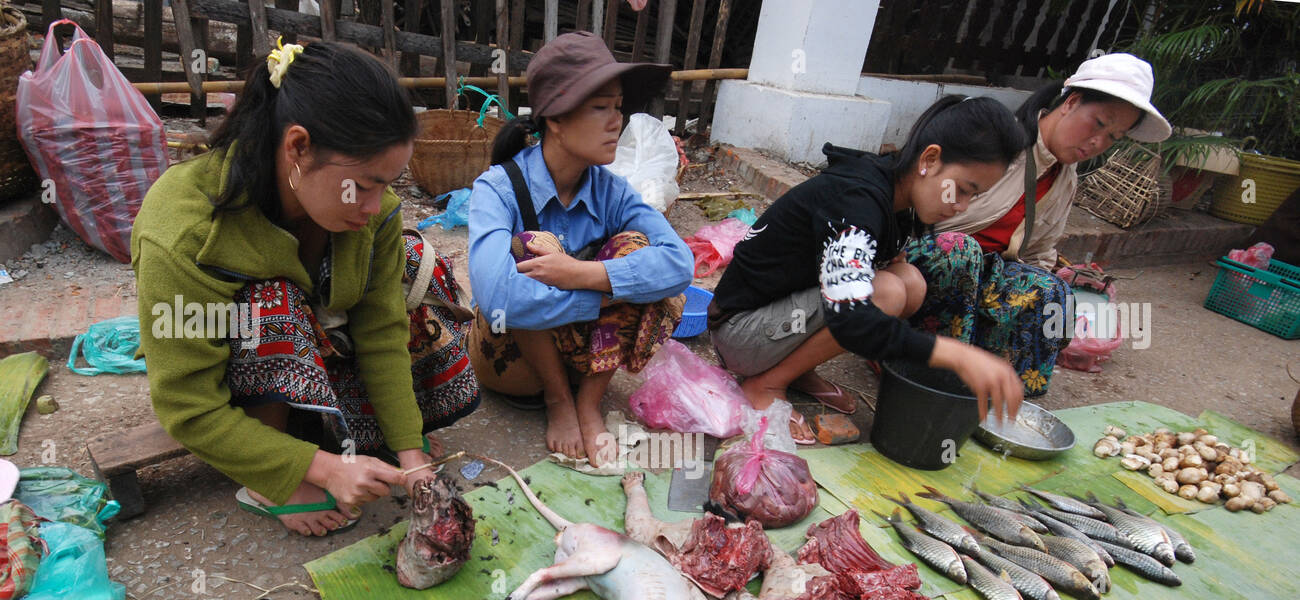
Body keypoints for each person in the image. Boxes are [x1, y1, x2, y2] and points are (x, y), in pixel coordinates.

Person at [132, 40, 480, 537]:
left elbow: (382, 329)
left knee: (417, 261)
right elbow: (189, 408)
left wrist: (410, 455)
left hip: (316, 352)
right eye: (362, 185)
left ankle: (354, 434)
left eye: (387, 184)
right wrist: (325, 471)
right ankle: (272, 477)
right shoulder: (185, 231)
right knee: (267, 301)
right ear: (297, 148)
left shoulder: (371, 211)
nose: (374, 205)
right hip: (241, 375)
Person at [709, 95, 1029, 440]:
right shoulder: (857, 199)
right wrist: (956, 355)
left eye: (974, 197)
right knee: (886, 293)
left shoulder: (901, 197)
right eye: (962, 190)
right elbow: (852, 318)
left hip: (776, 320)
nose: (962, 207)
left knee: (910, 281)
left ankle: (795, 370)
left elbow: (886, 265)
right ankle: (766, 383)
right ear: (931, 159)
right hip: (739, 332)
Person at [466, 31, 694, 467]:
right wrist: (606, 297)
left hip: (585, 357)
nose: (617, 122)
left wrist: (582, 275)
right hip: (511, 360)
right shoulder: (497, 189)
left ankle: (589, 402)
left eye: (619, 107)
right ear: (555, 118)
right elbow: (497, 298)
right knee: (526, 251)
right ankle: (558, 401)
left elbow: (679, 263)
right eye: (600, 107)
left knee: (638, 249)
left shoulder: (613, 191)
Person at [908, 53, 1172, 396]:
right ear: (1071, 102)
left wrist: (1035, 293)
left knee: (1052, 290)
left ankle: (1011, 398)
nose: (1098, 143)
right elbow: (917, 198)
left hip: (986, 272)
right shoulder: (998, 141)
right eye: (1099, 124)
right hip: (925, 257)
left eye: (1113, 137)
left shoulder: (1066, 179)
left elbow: (1039, 251)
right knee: (962, 252)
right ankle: (929, 377)